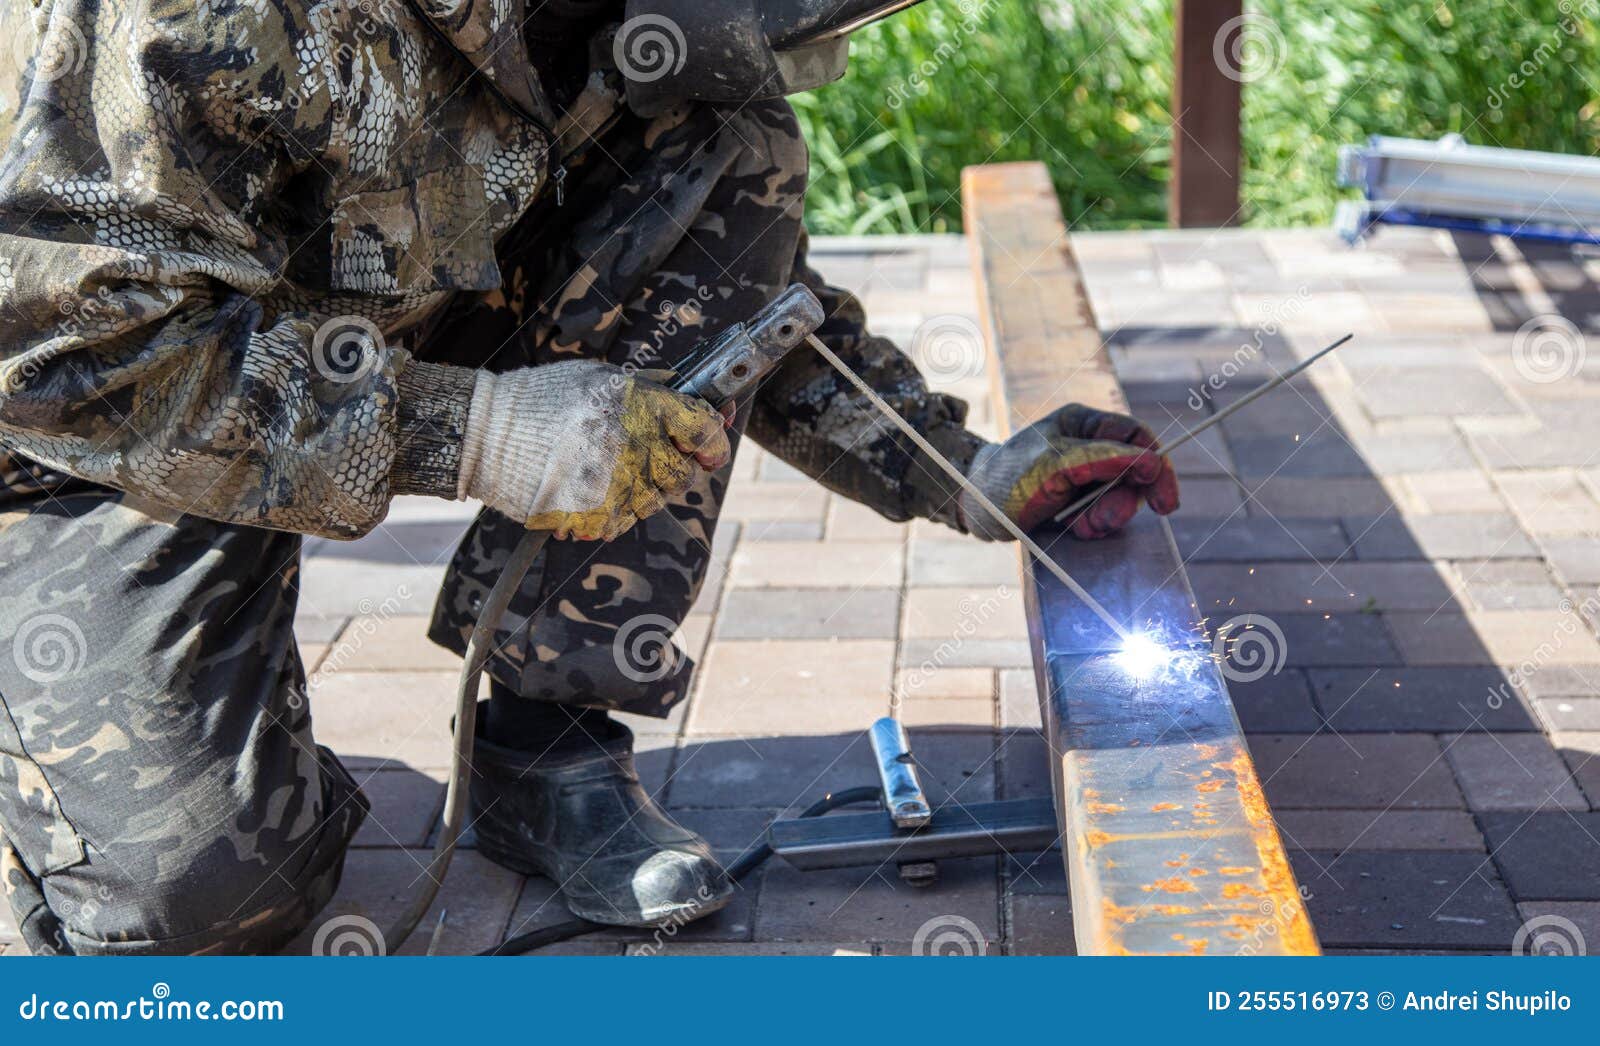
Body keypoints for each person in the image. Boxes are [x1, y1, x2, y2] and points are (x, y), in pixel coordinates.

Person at [0, 0, 1178, 954]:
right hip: (90, 430)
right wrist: (480, 433)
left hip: (340, 318)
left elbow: (726, 286)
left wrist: (961, 468)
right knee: (198, 903)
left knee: (722, 135)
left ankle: (543, 742)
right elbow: (68, 359)